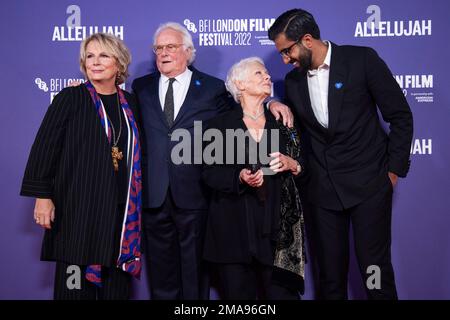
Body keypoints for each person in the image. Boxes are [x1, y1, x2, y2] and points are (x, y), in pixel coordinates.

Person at [131, 22, 292, 300]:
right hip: (154, 194)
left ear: (187, 51)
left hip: (195, 192)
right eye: (159, 48)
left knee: (195, 275)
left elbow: (245, 107)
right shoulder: (141, 86)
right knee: (161, 274)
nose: (163, 53)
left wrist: (271, 102)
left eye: (171, 47)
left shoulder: (212, 88)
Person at [268, 9, 413, 299]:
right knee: (330, 278)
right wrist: (272, 102)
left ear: (307, 40)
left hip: (369, 187)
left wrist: (392, 173)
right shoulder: (294, 82)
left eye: (288, 51)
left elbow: (400, 116)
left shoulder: (361, 60)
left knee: (374, 271)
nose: (285, 60)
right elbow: (295, 129)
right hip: (323, 193)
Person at [20, 33, 142, 300]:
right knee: (74, 290)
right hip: (77, 210)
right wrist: (43, 197)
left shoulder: (130, 104)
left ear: (119, 64)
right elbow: (44, 148)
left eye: (103, 55)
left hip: (119, 214)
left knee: (115, 290)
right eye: (90, 56)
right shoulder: (71, 98)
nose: (95, 62)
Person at [202, 57, 306, 300]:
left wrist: (294, 164)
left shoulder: (284, 122)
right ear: (240, 84)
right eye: (260, 74)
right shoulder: (217, 125)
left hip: (278, 232)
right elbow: (209, 173)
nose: (268, 77)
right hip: (233, 230)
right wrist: (238, 176)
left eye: (267, 74)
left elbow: (306, 164)